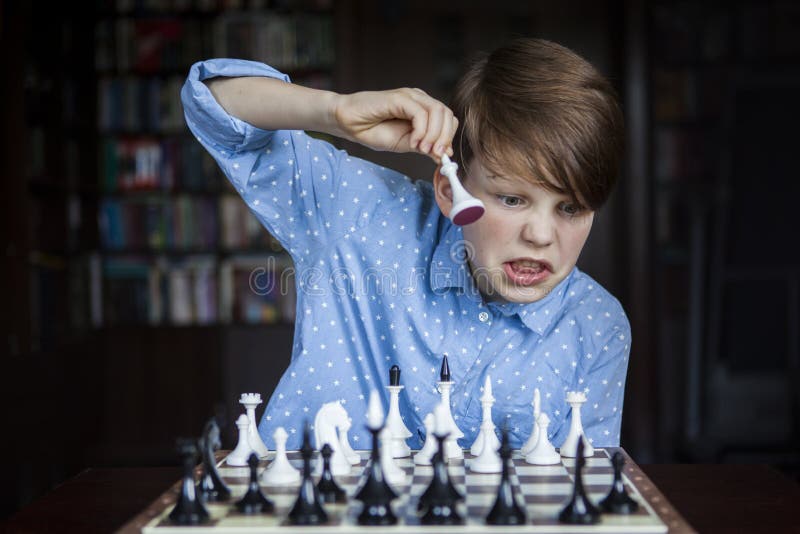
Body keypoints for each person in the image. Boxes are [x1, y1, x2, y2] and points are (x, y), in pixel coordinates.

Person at [181, 38, 629, 450]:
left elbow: (587, 489)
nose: (541, 235)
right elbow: (212, 106)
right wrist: (336, 113)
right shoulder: (356, 214)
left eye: (570, 208)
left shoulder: (598, 326)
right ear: (451, 190)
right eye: (512, 199)